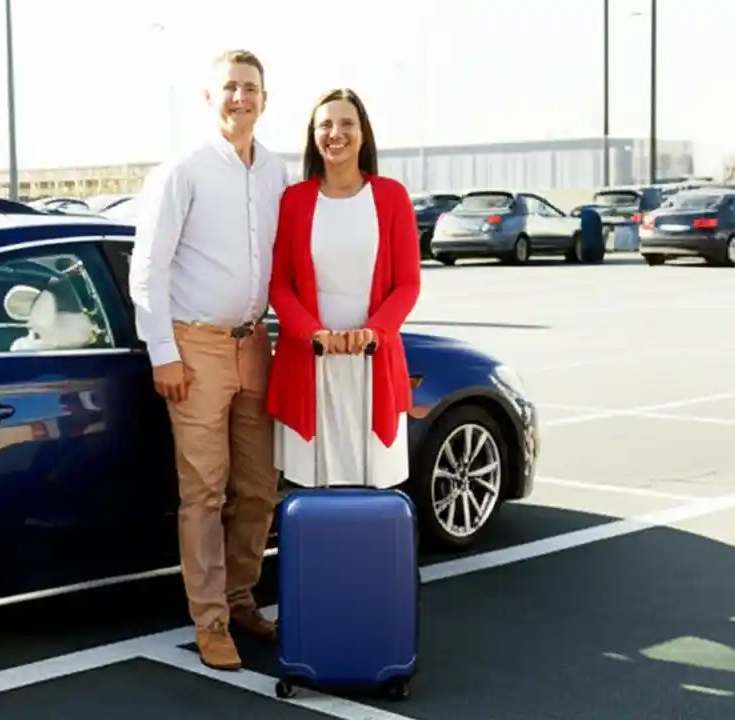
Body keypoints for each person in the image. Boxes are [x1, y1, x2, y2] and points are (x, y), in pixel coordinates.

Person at [128, 49, 290, 671]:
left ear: (265, 99)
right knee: (205, 491)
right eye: (229, 87)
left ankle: (241, 598)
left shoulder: (275, 172)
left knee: (258, 488)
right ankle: (211, 619)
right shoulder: (182, 171)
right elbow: (149, 269)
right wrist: (162, 353)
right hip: (194, 347)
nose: (240, 98)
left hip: (256, 344)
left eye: (250, 88)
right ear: (209, 97)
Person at [267, 88, 421, 491]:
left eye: (347, 123)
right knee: (311, 489)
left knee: (374, 489)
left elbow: (407, 284)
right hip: (309, 363)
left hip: (374, 364)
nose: (336, 133)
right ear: (313, 137)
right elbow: (280, 285)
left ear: (363, 133)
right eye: (326, 125)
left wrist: (376, 332)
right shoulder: (294, 201)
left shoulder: (391, 197)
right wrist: (311, 335)